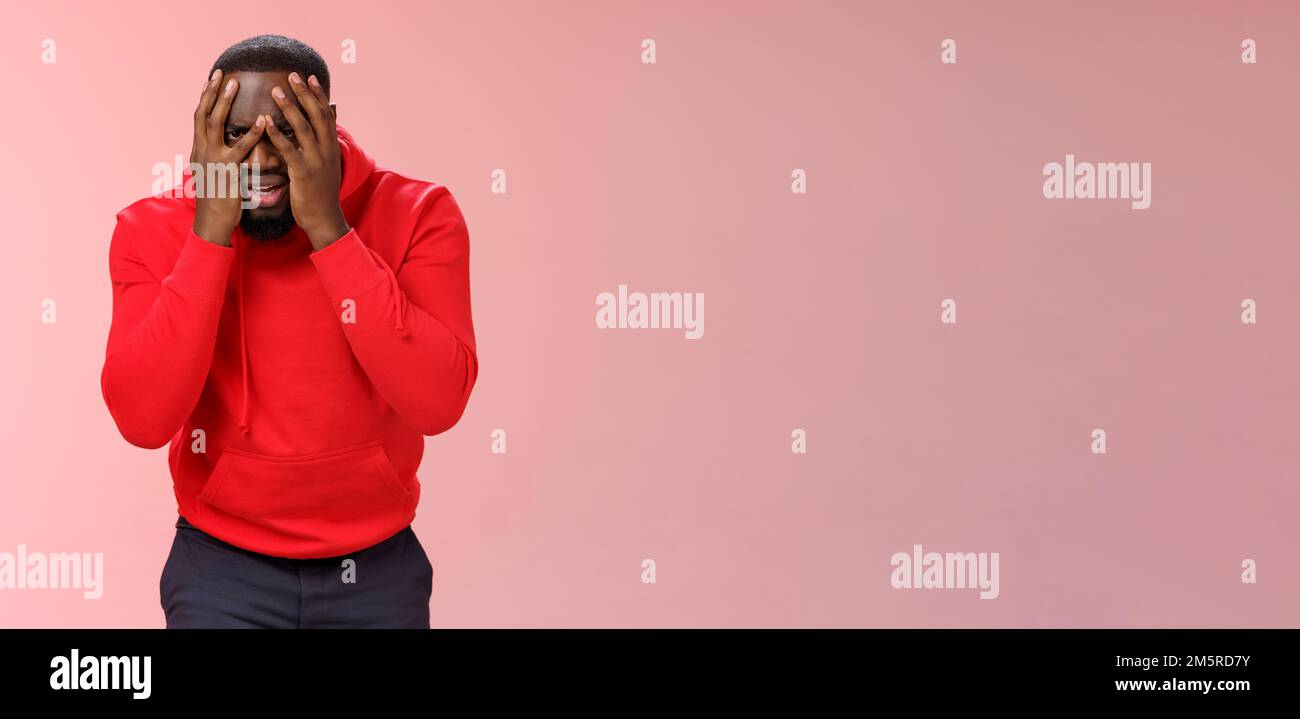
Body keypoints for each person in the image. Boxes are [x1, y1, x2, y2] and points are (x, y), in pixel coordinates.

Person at [99, 35, 478, 628]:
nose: (263, 158)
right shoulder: (149, 230)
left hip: (376, 568)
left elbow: (438, 403)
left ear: (328, 125)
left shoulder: (419, 214)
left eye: (289, 131)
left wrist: (330, 227)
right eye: (236, 134)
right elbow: (142, 421)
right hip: (221, 568)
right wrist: (208, 237)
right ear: (204, 134)